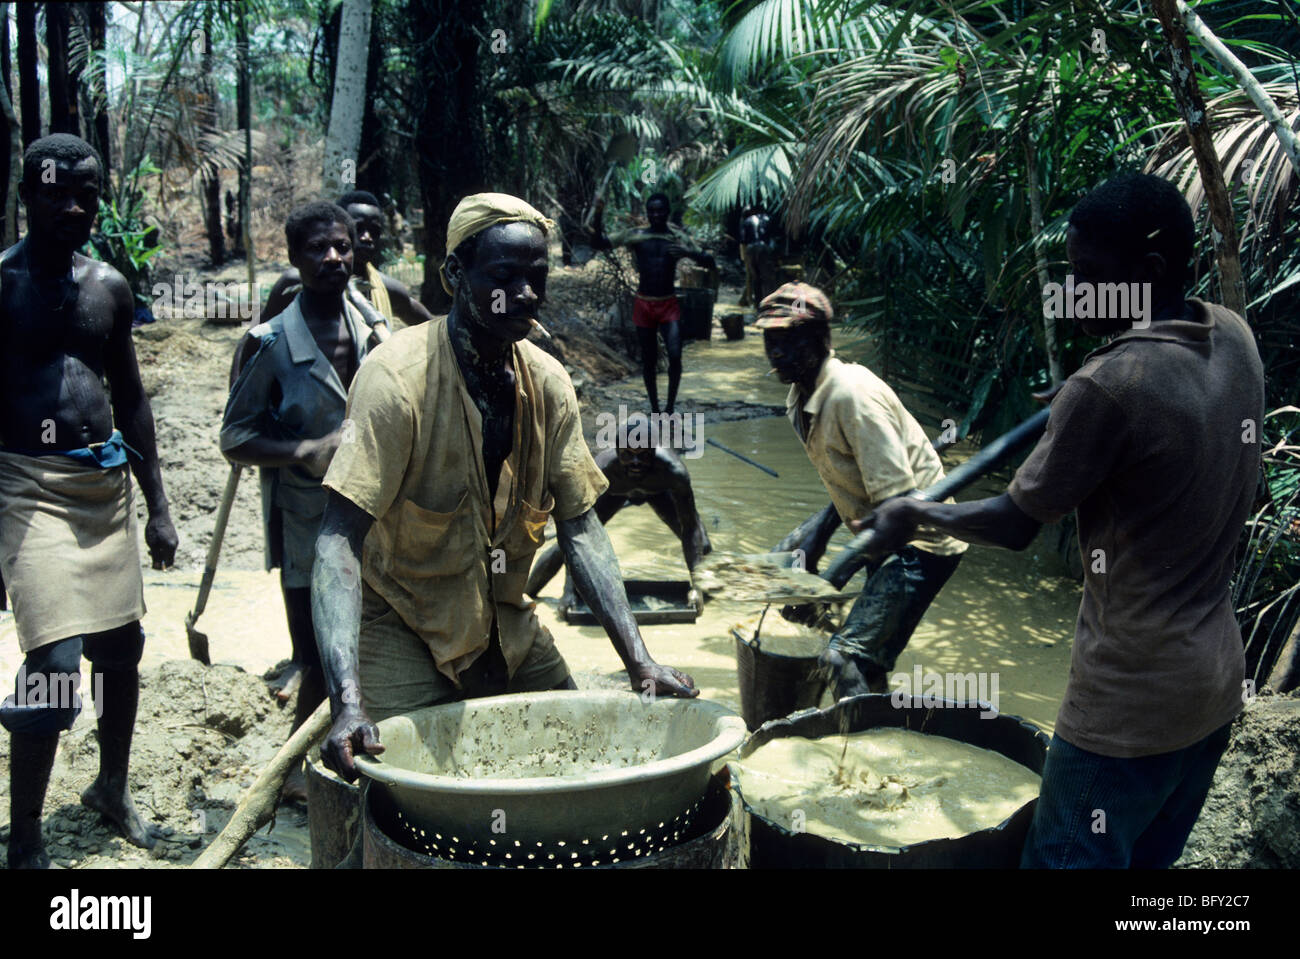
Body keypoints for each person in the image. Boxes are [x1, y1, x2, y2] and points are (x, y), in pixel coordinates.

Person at [860, 173, 1263, 868]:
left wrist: (913, 510)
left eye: (1089, 276)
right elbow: (1172, 419)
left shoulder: (1108, 387)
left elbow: (1017, 523)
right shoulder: (1231, 335)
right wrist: (1086, 402)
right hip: (1213, 689)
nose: (1073, 293)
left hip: (1127, 705)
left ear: (1148, 272)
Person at [310, 193, 698, 782]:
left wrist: (639, 660)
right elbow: (337, 540)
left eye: (536, 278)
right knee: (399, 787)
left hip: (508, 622)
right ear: (455, 275)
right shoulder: (395, 379)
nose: (525, 294)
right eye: (504, 277)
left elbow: (582, 530)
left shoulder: (547, 382)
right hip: (403, 622)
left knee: (584, 763)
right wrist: (347, 701)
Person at [0, 134, 178, 868]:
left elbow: (130, 395)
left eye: (86, 193)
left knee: (121, 646)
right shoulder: (1, 286)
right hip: (26, 486)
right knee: (54, 656)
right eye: (55, 192)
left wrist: (158, 501)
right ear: (27, 197)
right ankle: (28, 836)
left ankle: (110, 784)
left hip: (101, 491)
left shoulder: (108, 286)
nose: (73, 206)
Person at [220, 201, 382, 801]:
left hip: (375, 516)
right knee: (315, 653)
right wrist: (304, 448)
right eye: (318, 248)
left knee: (372, 643)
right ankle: (290, 775)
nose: (334, 257)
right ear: (293, 258)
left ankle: (353, 753)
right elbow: (234, 437)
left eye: (342, 245)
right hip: (307, 520)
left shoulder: (372, 331)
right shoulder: (269, 343)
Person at [758, 282, 967, 699]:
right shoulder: (799, 398)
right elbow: (851, 479)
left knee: (841, 658)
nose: (776, 353)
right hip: (884, 539)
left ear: (820, 340)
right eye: (770, 341)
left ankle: (858, 757)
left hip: (919, 543)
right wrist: (816, 533)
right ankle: (880, 729)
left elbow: (898, 511)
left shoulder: (853, 397)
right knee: (867, 661)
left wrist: (832, 580)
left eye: (789, 340)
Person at [524, 411, 712, 614]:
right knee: (564, 545)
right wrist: (569, 590)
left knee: (704, 546)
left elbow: (690, 528)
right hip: (614, 493)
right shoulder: (602, 468)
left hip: (658, 492)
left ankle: (706, 590)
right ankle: (525, 593)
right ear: (617, 449)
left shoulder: (674, 472)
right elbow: (576, 532)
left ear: (654, 451)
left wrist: (697, 586)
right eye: (627, 454)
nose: (635, 462)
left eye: (643, 455)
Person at [593, 192, 715, 414]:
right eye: (652, 211)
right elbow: (599, 243)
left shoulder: (677, 238)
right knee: (648, 360)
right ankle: (655, 408)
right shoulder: (636, 235)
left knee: (675, 356)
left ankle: (669, 407)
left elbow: (710, 261)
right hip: (644, 304)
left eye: (660, 210)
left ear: (667, 213)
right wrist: (598, 214)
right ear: (648, 213)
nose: (656, 215)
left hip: (668, 304)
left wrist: (688, 253)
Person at [256, 190, 434, 334]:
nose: (367, 237)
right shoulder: (297, 283)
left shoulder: (385, 288)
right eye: (359, 229)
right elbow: (255, 338)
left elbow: (431, 327)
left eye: (374, 231)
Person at [738, 206, 776, 308]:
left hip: (750, 249)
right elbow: (773, 238)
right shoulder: (768, 218)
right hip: (764, 248)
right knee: (767, 278)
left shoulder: (747, 221)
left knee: (755, 278)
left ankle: (757, 305)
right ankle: (768, 304)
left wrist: (744, 258)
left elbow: (743, 241)